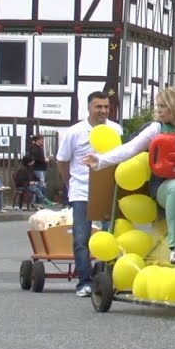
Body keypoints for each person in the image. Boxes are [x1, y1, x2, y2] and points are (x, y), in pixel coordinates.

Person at [83, 87, 175, 264]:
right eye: (157, 106)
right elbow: (131, 148)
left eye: (163, 106)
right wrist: (100, 160)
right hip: (164, 186)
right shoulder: (156, 128)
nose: (158, 110)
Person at [56, 91, 119, 297]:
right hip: (82, 190)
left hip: (108, 190)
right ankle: (84, 282)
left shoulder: (116, 130)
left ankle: (107, 279)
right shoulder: (75, 132)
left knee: (110, 236)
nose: (102, 111)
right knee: (81, 238)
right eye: (98, 107)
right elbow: (62, 161)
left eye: (106, 107)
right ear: (89, 108)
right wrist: (70, 184)